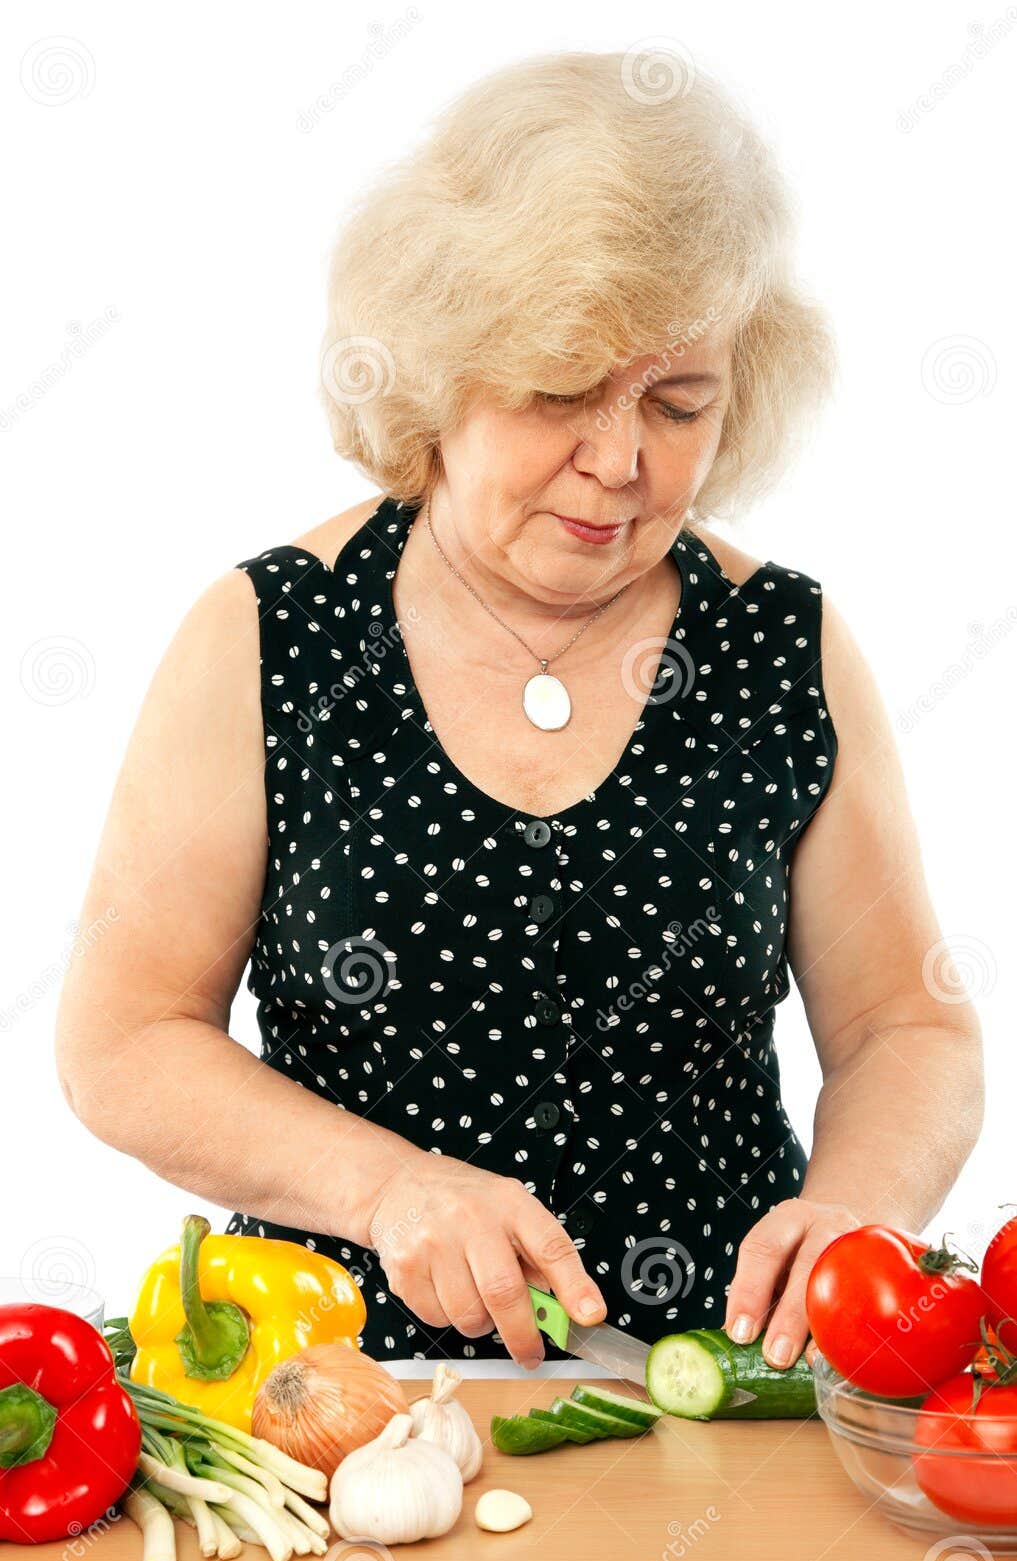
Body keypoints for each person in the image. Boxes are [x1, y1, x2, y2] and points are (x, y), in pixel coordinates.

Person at [56, 50, 983, 1369]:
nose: (620, 461)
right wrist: (387, 1189)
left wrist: (857, 1210)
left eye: (680, 402)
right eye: (559, 394)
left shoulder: (784, 645)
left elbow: (908, 1023)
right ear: (438, 372)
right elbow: (123, 1034)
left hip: (719, 1392)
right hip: (347, 1394)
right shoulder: (270, 637)